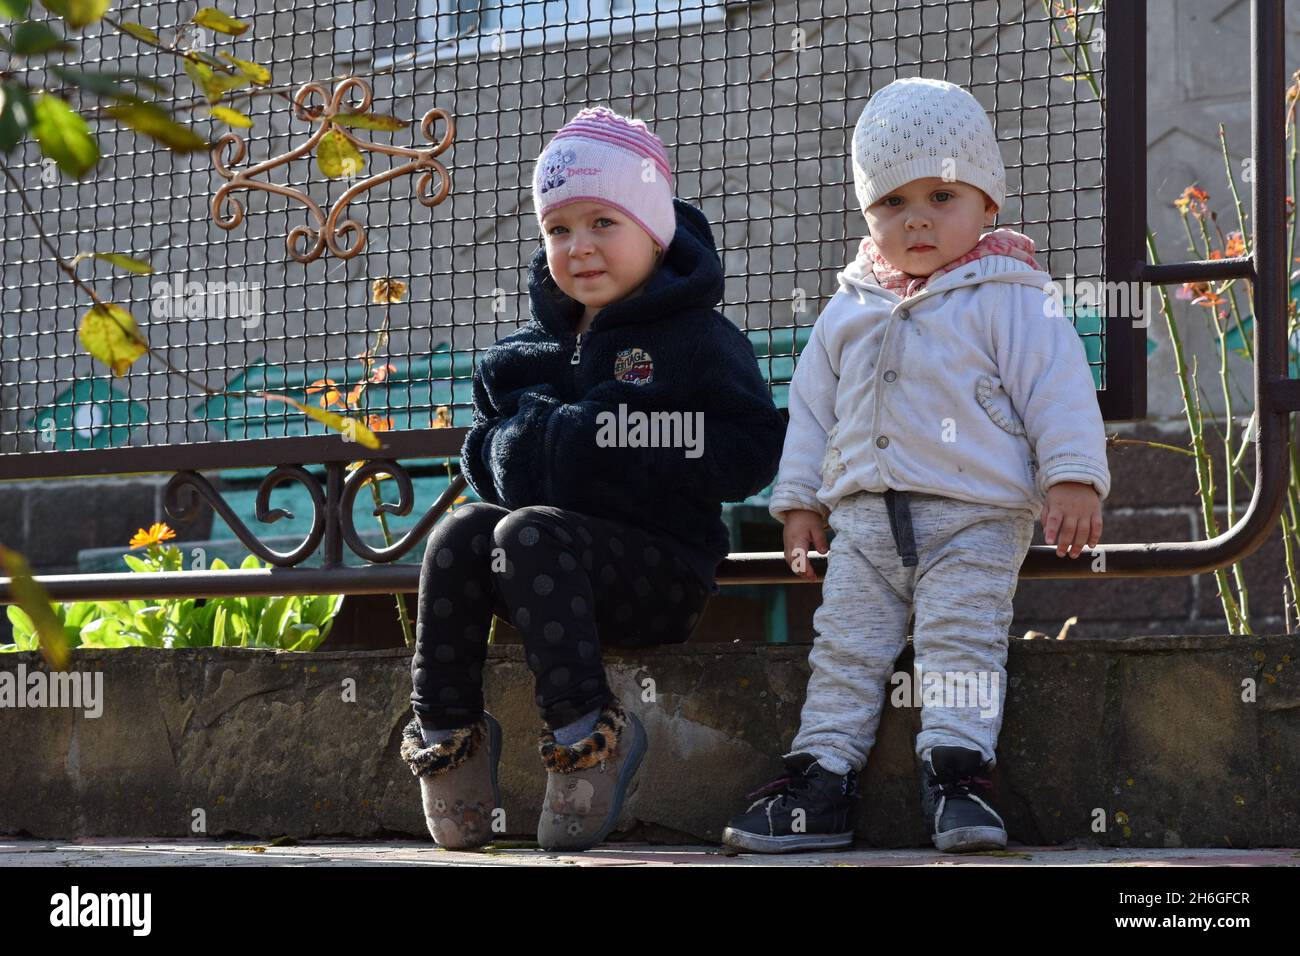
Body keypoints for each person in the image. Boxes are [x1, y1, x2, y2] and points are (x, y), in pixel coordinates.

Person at [721, 77, 1111, 854]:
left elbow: (1058, 388)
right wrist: (799, 502)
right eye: (892, 204)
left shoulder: (1011, 296)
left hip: (974, 520)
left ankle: (960, 777)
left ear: (988, 202)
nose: (918, 219)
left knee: (960, 643)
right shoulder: (848, 309)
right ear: (868, 216)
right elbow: (812, 413)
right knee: (845, 650)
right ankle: (820, 780)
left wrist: (1071, 475)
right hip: (864, 524)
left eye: (941, 194)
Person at [398, 106, 785, 852]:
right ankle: (448, 737)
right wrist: (522, 443)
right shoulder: (521, 353)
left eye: (603, 222)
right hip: (538, 572)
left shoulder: (696, 339)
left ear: (654, 230)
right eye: (558, 229)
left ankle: (586, 740)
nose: (578, 248)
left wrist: (624, 433)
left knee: (527, 531)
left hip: (659, 573)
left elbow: (750, 449)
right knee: (461, 532)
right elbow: (478, 452)